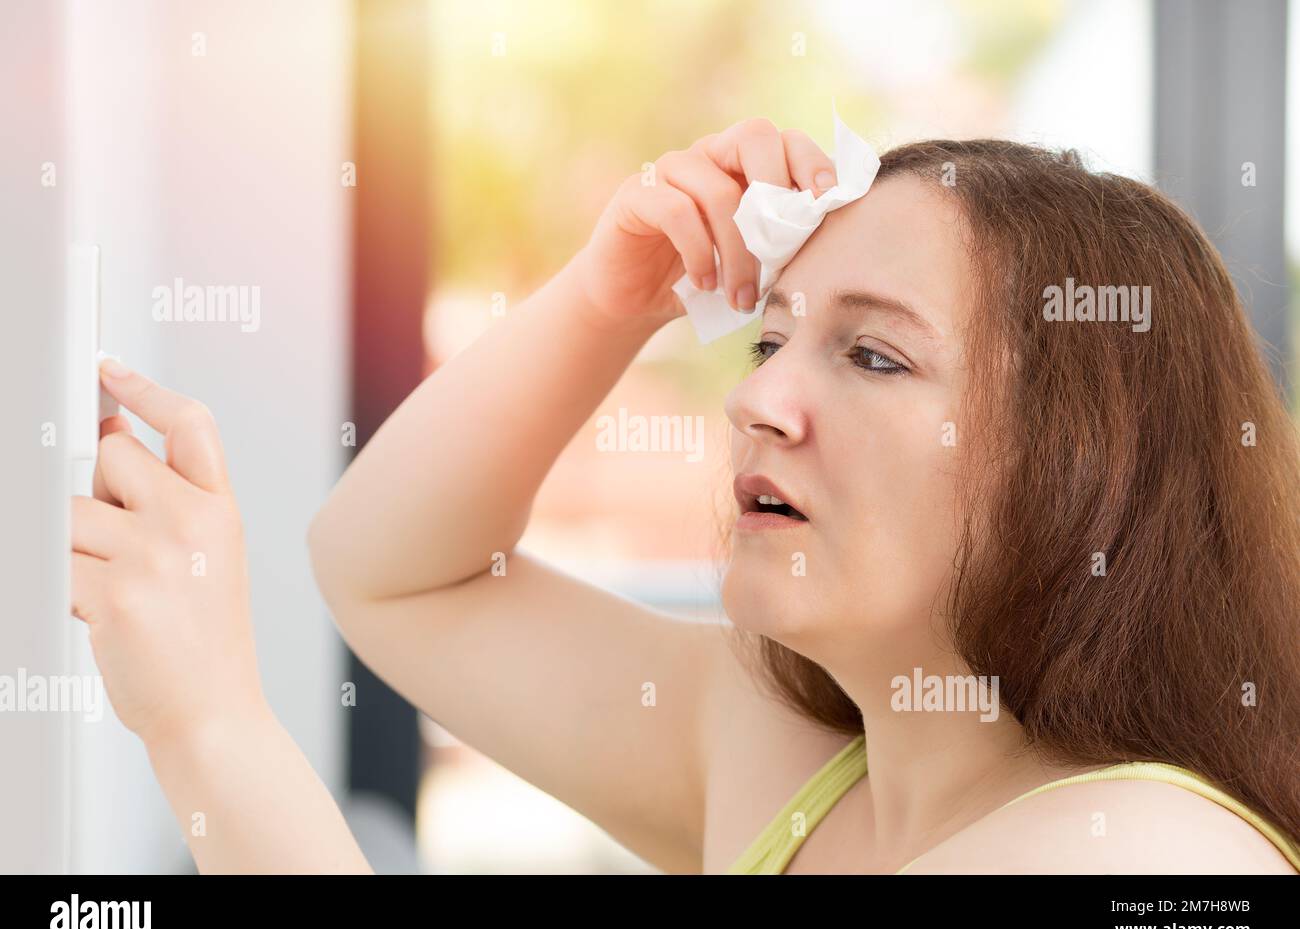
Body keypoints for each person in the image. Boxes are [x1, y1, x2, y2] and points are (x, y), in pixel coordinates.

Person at [73, 118, 1300, 874]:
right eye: (769, 343)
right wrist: (613, 296)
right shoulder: (789, 757)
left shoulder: (1154, 863)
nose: (755, 404)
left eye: (873, 355)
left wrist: (211, 731)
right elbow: (390, 569)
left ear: (1082, 462)